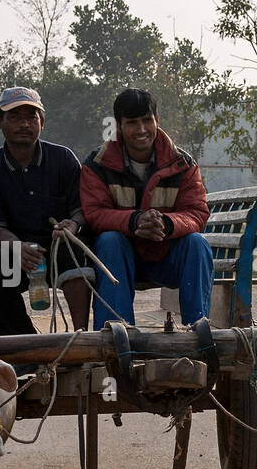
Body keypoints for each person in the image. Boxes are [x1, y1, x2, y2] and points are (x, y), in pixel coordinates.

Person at [80, 88, 213, 330]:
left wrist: (166, 224)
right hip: (120, 260)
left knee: (197, 243)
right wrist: (135, 221)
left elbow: (197, 212)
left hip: (166, 256)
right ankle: (116, 336)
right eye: (132, 123)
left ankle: (199, 331)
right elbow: (94, 213)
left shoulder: (182, 163)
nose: (141, 130)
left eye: (146, 121)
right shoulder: (97, 164)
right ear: (119, 126)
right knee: (109, 240)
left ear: (157, 121)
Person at [0, 86, 92, 333]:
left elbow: (81, 210)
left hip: (59, 242)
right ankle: (21, 342)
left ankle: (82, 337)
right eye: (14, 117)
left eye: (31, 117)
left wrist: (73, 224)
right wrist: (17, 248)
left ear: (42, 122)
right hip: (15, 248)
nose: (24, 124)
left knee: (76, 249)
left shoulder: (64, 160)